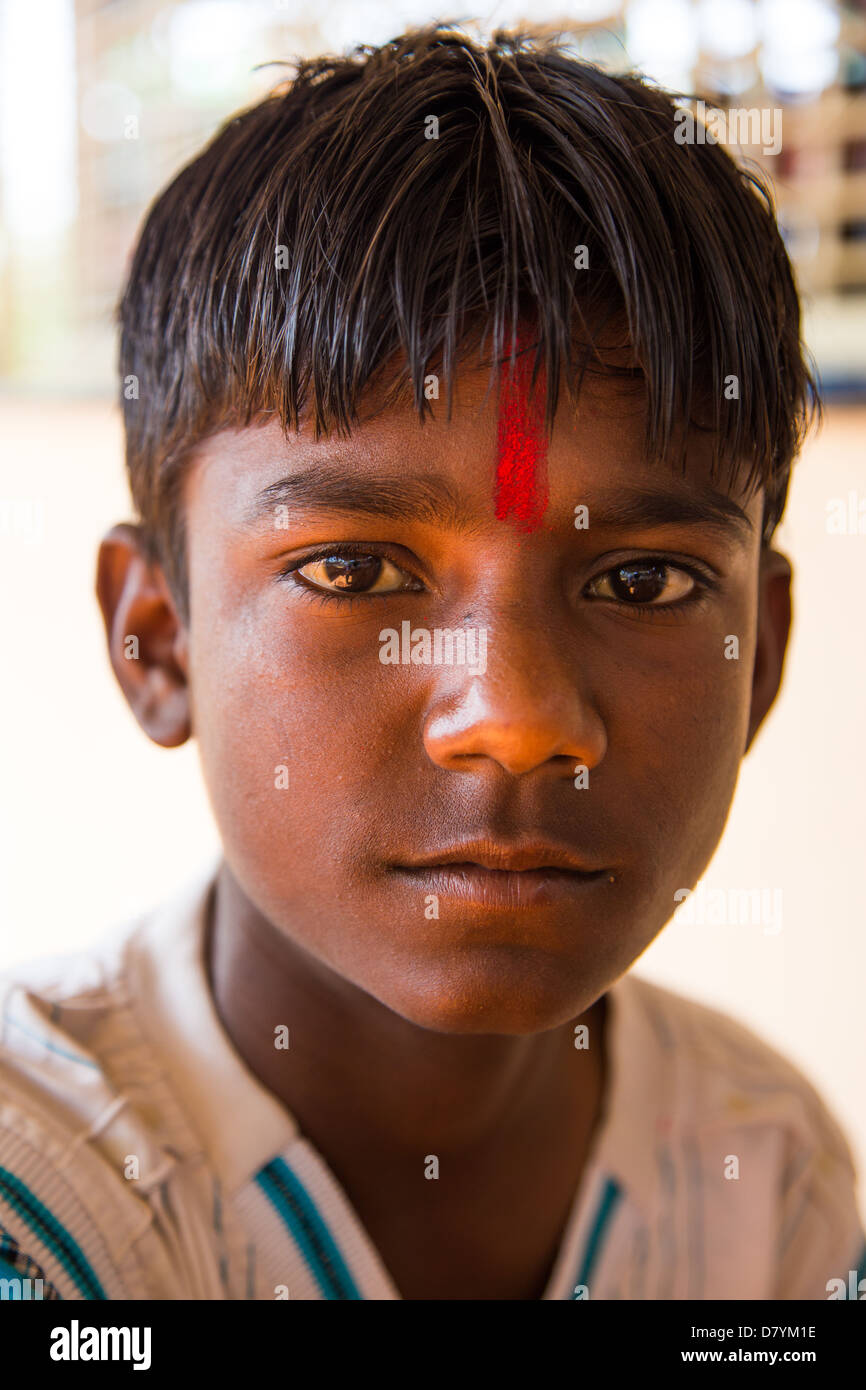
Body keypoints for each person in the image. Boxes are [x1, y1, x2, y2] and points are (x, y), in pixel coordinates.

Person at [1, 23, 863, 1301]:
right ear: (157, 638)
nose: (512, 720)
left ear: (760, 659)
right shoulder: (48, 1204)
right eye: (353, 570)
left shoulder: (766, 1175)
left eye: (641, 582)